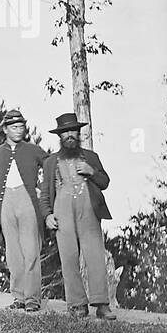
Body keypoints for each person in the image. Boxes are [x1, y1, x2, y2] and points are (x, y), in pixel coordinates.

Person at [41, 113, 115, 320]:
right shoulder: (51, 162)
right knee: (69, 257)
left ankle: (102, 304)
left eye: (73, 130)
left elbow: (105, 182)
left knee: (95, 256)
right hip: (62, 210)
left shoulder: (91, 157)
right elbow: (45, 193)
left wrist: (91, 171)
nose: (70, 135)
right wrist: (47, 215)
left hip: (88, 209)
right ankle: (77, 305)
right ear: (60, 136)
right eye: (65, 132)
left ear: (78, 133)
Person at [0, 110, 48, 312]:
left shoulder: (33, 150)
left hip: (28, 200)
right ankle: (18, 296)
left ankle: (32, 298)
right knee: (13, 253)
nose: (18, 131)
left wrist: (41, 189)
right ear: (5, 129)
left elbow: (51, 167)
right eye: (14, 127)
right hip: (5, 201)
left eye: (21, 127)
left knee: (31, 250)